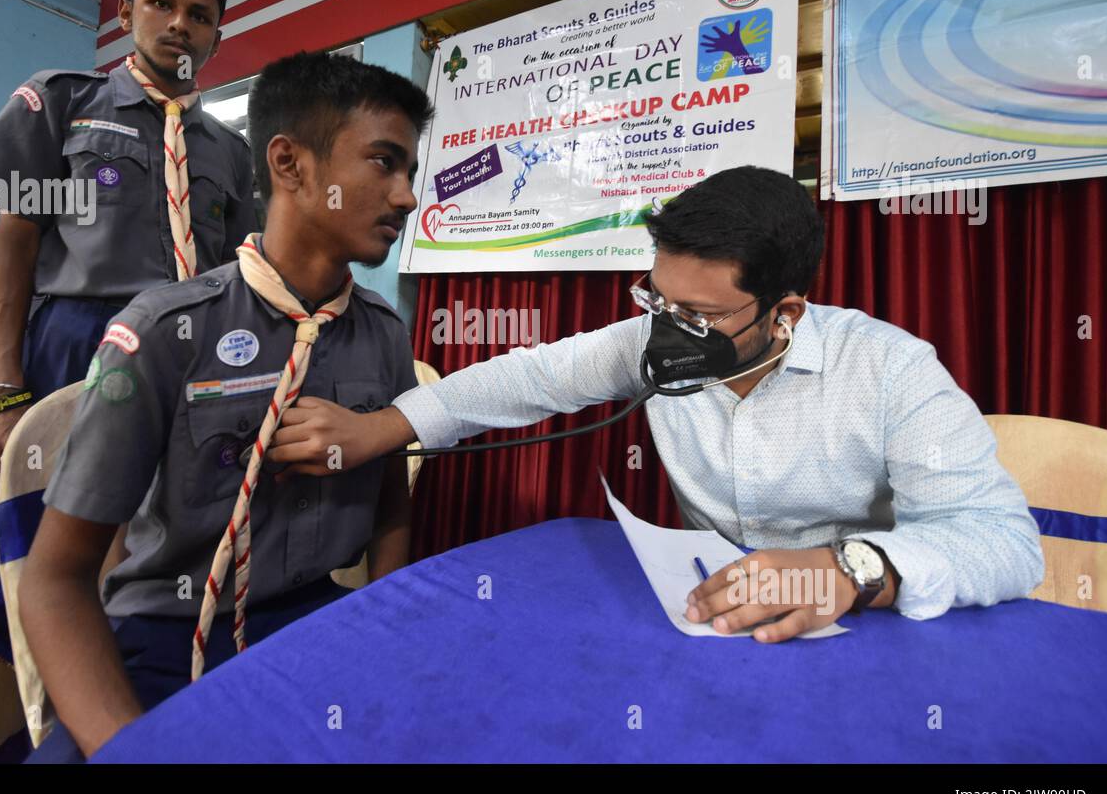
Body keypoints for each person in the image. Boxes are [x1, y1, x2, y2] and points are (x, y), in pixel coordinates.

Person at [267, 166, 1045, 640]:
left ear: (787, 312)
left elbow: (1005, 542)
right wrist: (384, 427)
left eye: (700, 318)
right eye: (658, 299)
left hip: (863, 627)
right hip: (712, 618)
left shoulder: (893, 370)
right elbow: (519, 380)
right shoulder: (654, 339)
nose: (668, 330)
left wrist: (848, 570)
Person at [20, 51, 433, 760]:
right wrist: (130, 749)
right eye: (384, 163)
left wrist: (380, 637)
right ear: (289, 163)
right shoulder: (164, 330)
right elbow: (55, 581)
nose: (405, 197)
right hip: (167, 634)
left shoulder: (385, 336)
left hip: (319, 622)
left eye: (411, 174)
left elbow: (391, 507)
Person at [0, 0, 256, 482]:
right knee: (59, 519)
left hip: (195, 350)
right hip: (77, 341)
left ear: (216, 38)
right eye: (160, 3)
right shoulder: (61, 101)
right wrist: (1, 392)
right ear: (124, 13)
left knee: (171, 517)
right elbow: (14, 243)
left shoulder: (231, 151)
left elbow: (241, 276)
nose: (179, 24)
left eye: (199, 16)